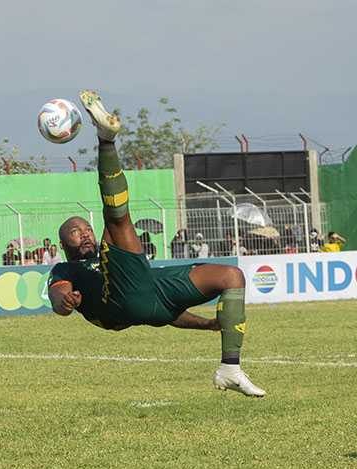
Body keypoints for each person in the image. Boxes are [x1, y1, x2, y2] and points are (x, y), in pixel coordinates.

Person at [48, 90, 264, 397]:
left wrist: (206, 324)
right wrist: (65, 303)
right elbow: (58, 298)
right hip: (113, 302)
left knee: (231, 276)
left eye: (86, 229)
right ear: (62, 244)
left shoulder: (114, 263)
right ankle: (106, 140)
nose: (84, 234)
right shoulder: (66, 269)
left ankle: (229, 369)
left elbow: (159, 312)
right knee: (117, 218)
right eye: (74, 232)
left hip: (145, 295)